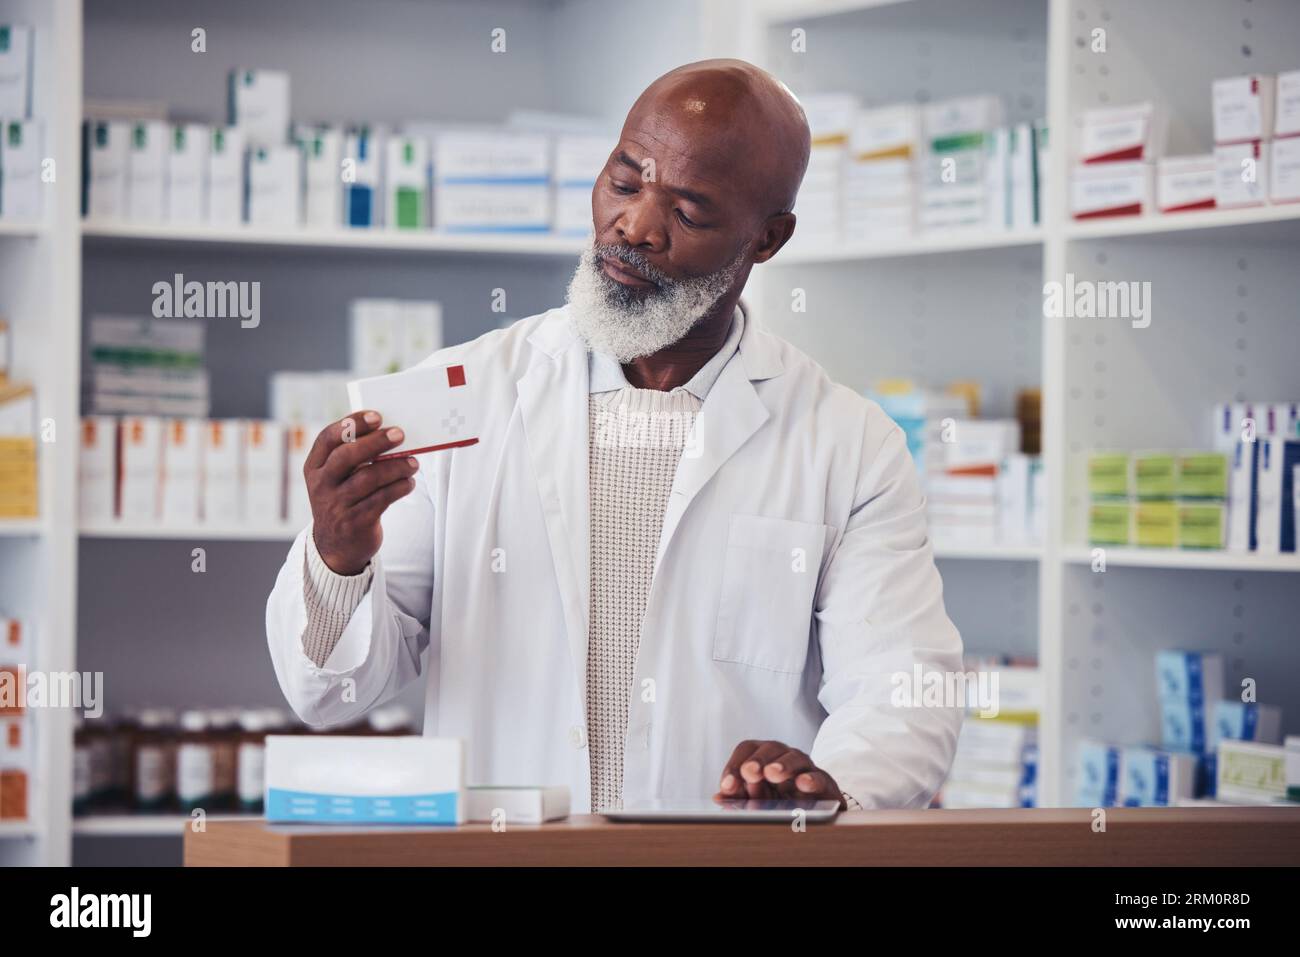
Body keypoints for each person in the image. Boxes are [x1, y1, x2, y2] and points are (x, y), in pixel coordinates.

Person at [266, 59, 963, 813]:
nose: (636, 226)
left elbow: (902, 694)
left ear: (767, 240)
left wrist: (831, 787)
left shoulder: (848, 445)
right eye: (625, 182)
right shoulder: (460, 395)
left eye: (689, 212)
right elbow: (328, 694)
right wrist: (338, 557)